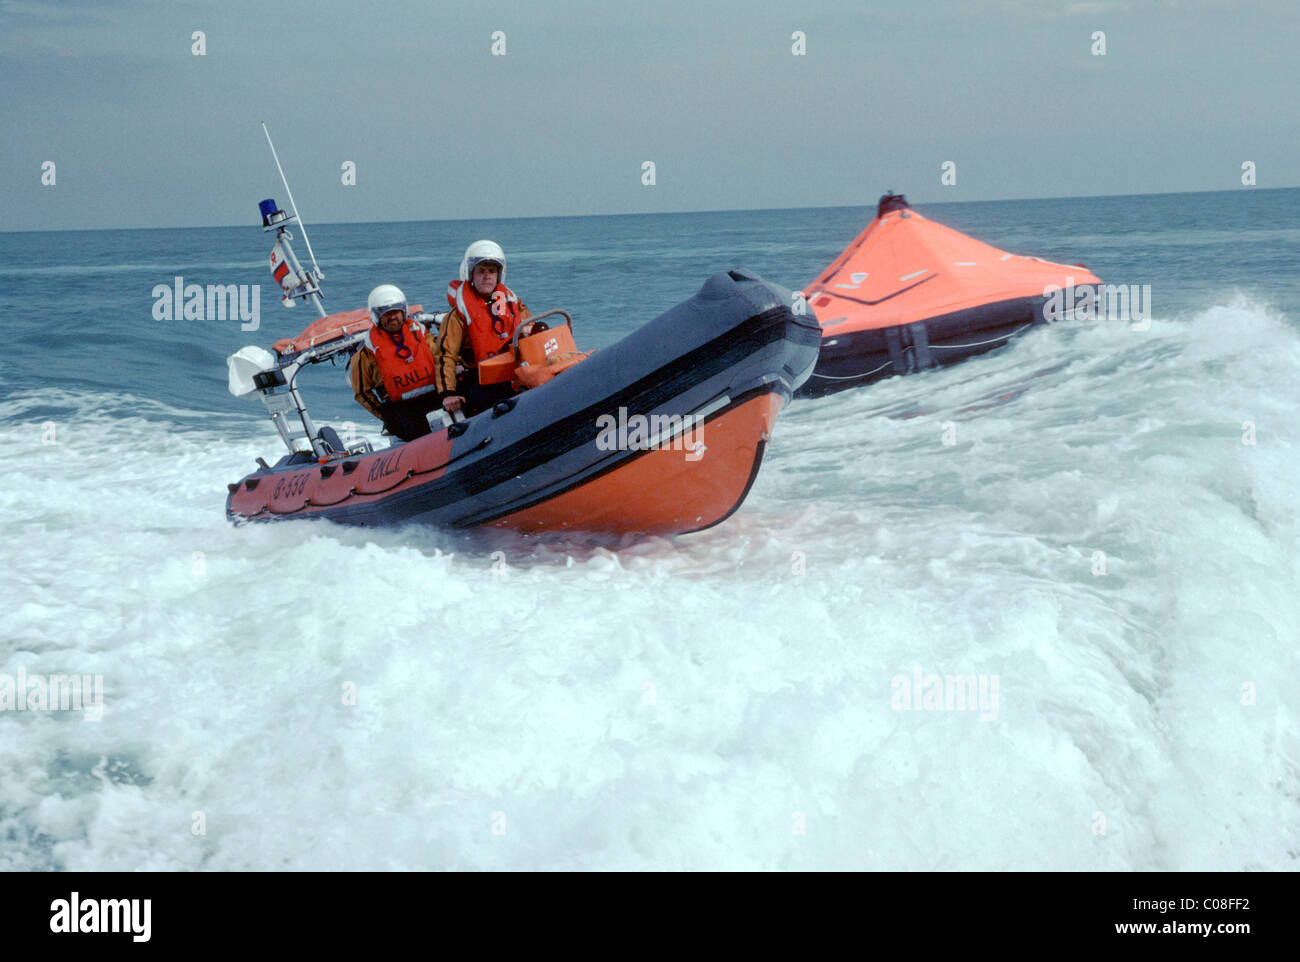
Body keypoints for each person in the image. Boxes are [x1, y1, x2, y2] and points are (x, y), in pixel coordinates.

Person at [434, 240, 539, 417]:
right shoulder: (458, 316)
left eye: (492, 271)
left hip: (515, 371)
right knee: (485, 399)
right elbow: (446, 355)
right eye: (481, 271)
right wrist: (448, 393)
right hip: (481, 378)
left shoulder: (515, 305)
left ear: (499, 274)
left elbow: (533, 331)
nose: (487, 276)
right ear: (471, 275)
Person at [350, 284, 443, 441]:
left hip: (435, 396)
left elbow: (442, 361)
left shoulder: (423, 336)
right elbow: (362, 393)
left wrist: (448, 391)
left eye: (395, 312)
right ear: (376, 316)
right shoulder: (365, 355)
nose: (392, 317)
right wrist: (386, 416)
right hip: (402, 409)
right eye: (386, 314)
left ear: (404, 311)